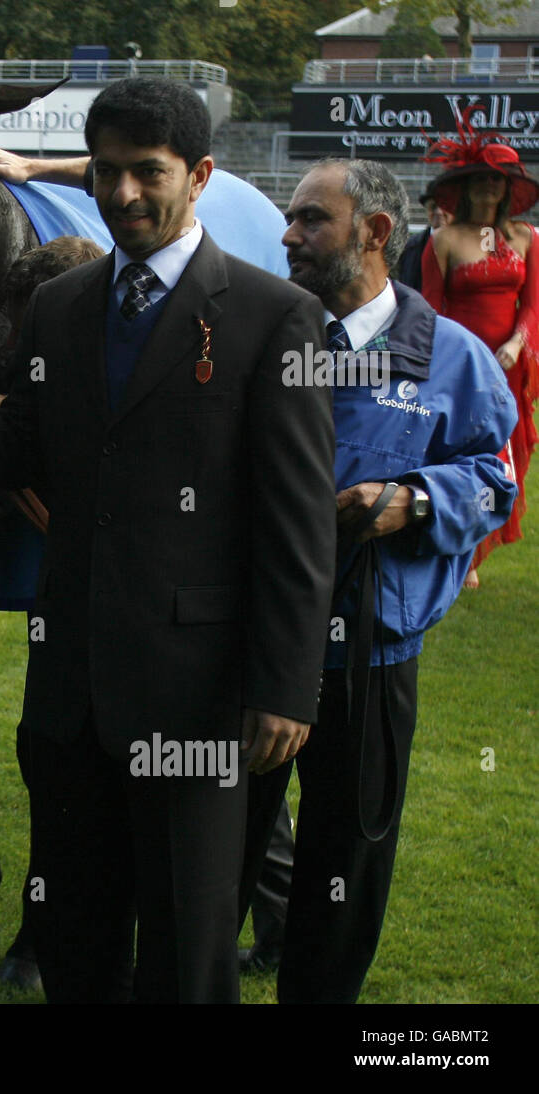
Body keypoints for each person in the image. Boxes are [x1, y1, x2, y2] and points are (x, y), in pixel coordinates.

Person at [0, 77, 337, 1003]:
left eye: (146, 173)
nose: (121, 195)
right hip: (70, 696)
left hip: (198, 705)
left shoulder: (277, 319)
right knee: (77, 945)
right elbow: (19, 448)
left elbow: (299, 519)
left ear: (199, 175)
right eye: (106, 172)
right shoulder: (62, 305)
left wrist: (283, 684)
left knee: (189, 958)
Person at [240, 158, 516, 1003]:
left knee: (345, 864)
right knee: (215, 848)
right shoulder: (259, 338)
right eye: (290, 218)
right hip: (248, 642)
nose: (288, 234)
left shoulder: (457, 362)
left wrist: (418, 501)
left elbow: (496, 479)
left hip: (372, 655)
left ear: (375, 233)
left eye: (310, 219)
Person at [422, 121, 538, 586]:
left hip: (509, 365)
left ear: (508, 187)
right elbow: (429, 309)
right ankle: (464, 551)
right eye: (483, 177)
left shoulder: (523, 237)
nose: (490, 185)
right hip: (462, 366)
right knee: (466, 453)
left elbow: (532, 306)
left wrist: (517, 342)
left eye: (498, 178)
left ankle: (478, 548)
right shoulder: (445, 240)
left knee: (511, 457)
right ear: (466, 184)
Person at [395, 189, 451, 290]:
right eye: (433, 207)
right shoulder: (410, 247)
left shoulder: (470, 247)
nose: (438, 212)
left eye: (445, 206)